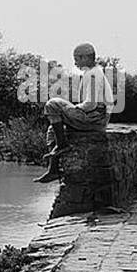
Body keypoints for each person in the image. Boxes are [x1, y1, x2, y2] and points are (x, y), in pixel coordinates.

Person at [34, 43, 114, 183]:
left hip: (95, 119)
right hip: (98, 119)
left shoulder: (93, 74)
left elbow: (90, 104)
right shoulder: (95, 72)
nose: (75, 62)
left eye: (76, 58)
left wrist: (73, 109)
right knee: (53, 130)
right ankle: (53, 170)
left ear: (85, 58)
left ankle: (62, 146)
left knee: (52, 104)